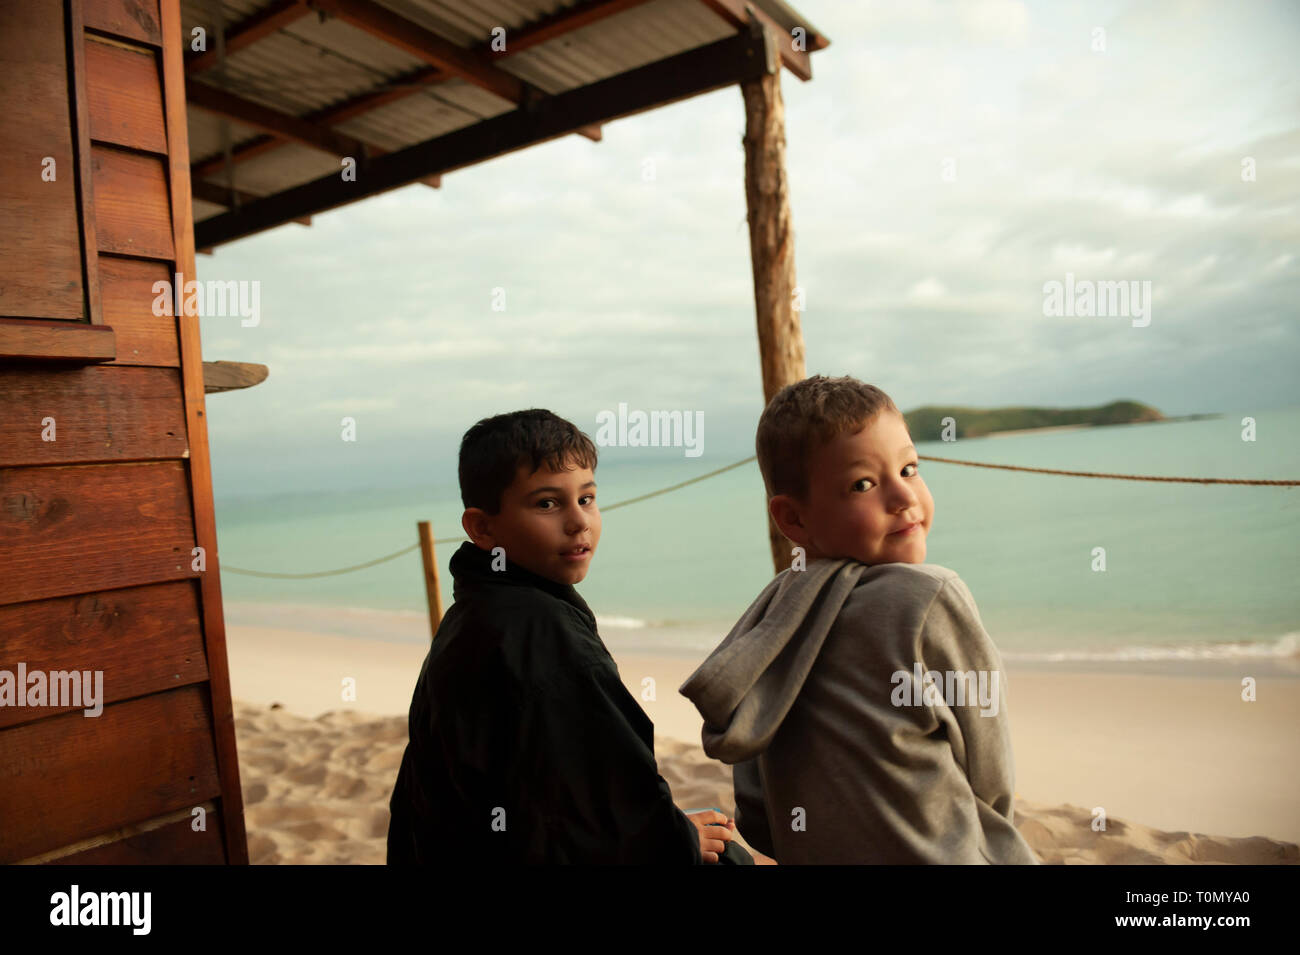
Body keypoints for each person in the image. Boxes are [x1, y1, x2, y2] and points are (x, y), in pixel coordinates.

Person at [680, 375, 1039, 864]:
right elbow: (989, 769)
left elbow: (757, 809)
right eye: (863, 484)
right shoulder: (929, 597)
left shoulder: (770, 616)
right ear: (794, 520)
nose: (902, 496)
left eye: (910, 469)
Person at [388, 409, 751, 864]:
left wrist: (669, 825)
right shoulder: (544, 638)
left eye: (587, 499)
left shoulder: (474, 612)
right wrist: (679, 840)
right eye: (546, 504)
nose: (579, 522)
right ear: (483, 527)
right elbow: (604, 819)